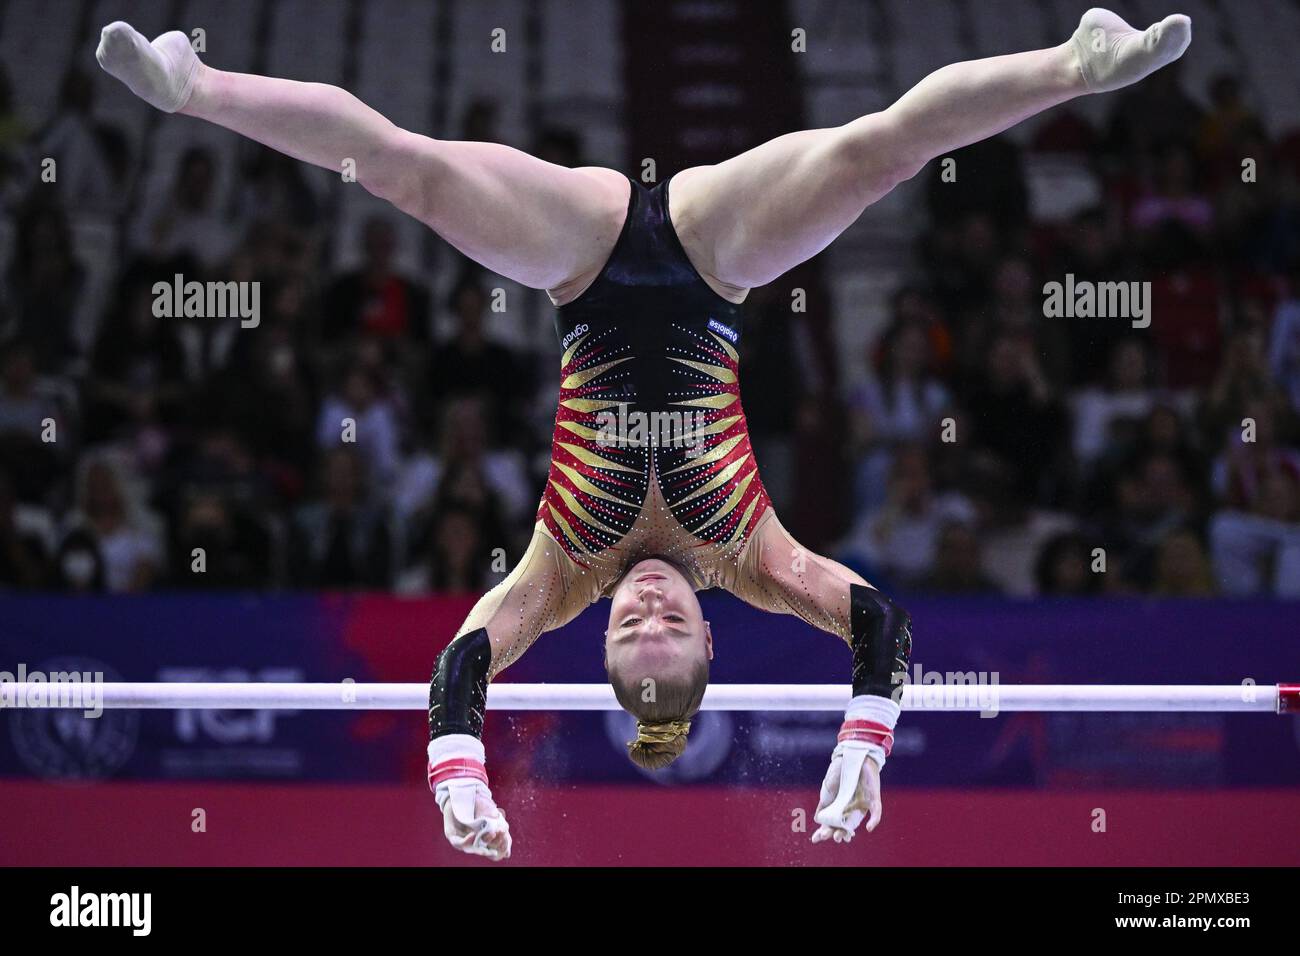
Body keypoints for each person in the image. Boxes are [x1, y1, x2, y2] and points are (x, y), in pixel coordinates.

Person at [97, 7, 1192, 860]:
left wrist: (458, 768)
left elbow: (466, 660)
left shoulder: (562, 572)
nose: (655, 607)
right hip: (716, 258)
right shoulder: (753, 560)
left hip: (578, 263)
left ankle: (193, 86)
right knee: (879, 153)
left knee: (408, 170)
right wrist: (865, 739)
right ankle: (1075, 63)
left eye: (635, 634)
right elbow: (880, 622)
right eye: (675, 629)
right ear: (715, 641)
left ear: (603, 634)